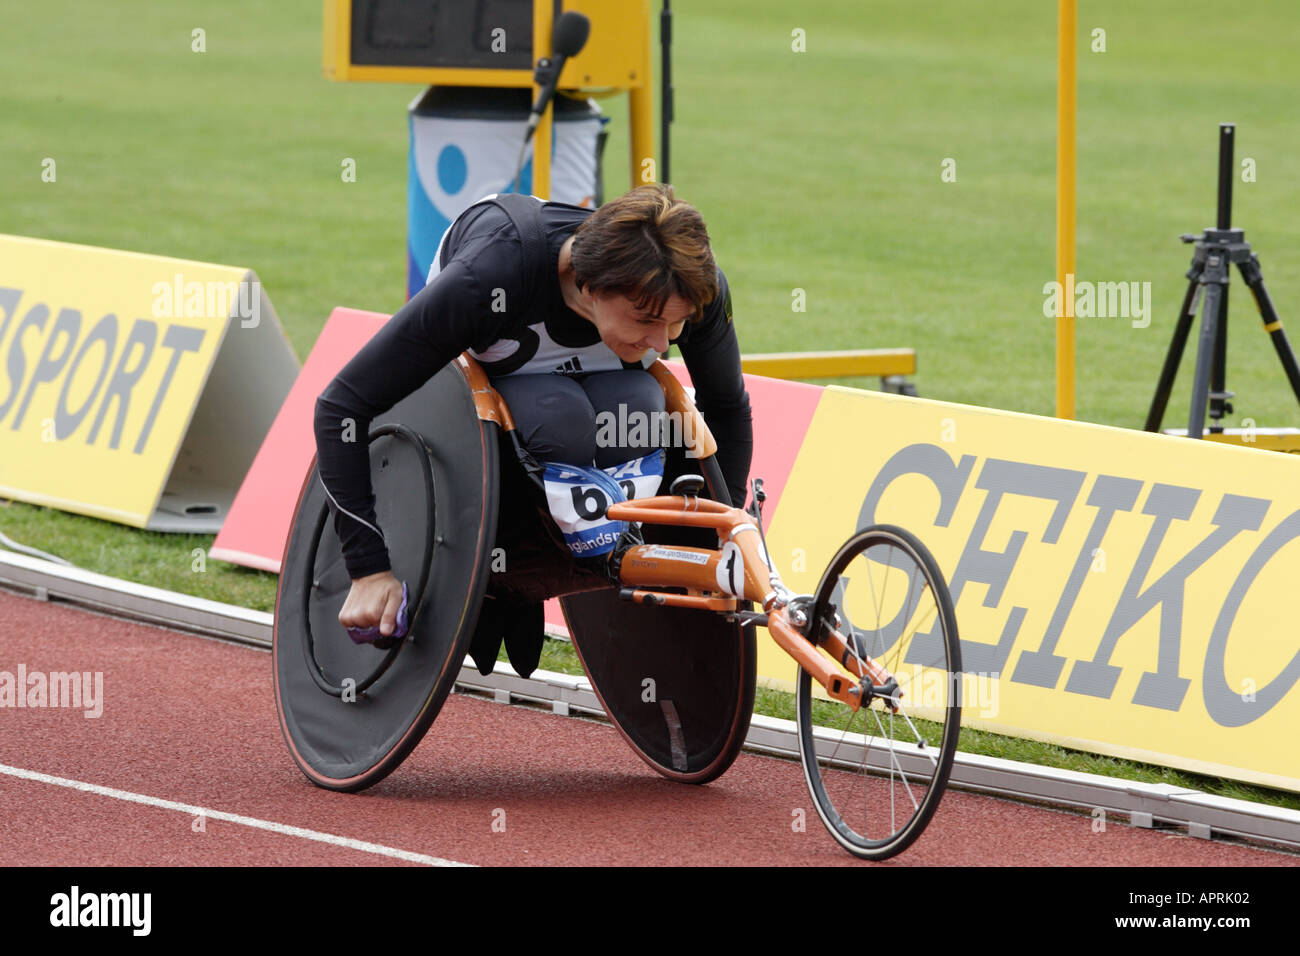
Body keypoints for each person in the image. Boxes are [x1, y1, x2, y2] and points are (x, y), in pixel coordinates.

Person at [313, 183, 752, 640]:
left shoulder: (689, 288)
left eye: (675, 326)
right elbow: (341, 407)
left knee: (637, 408)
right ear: (588, 285)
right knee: (561, 417)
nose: (663, 344)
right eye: (645, 321)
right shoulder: (487, 279)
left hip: (609, 400)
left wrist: (719, 540)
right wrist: (367, 570)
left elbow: (726, 407)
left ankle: (610, 551)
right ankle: (503, 575)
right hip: (506, 407)